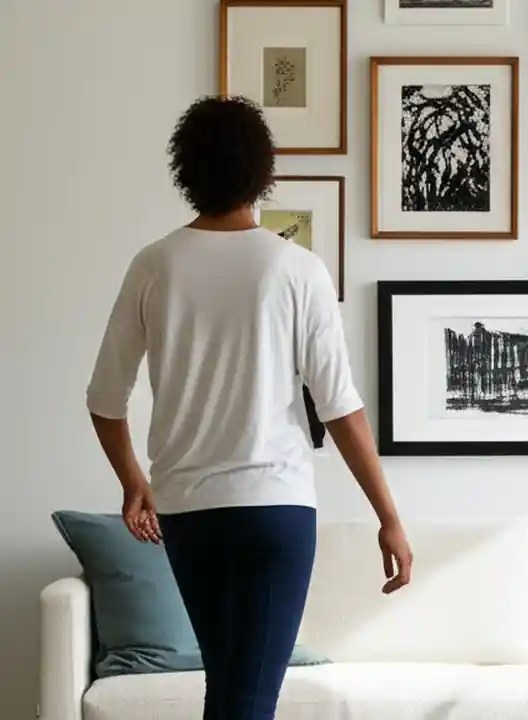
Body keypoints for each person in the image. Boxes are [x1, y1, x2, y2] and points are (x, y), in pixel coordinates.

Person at [85, 96, 412, 720]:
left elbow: (105, 399)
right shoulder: (297, 269)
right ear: (263, 172)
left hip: (188, 514)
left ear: (187, 171)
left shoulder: (154, 265)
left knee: (234, 694)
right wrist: (388, 516)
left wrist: (135, 484)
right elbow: (340, 407)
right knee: (246, 700)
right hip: (276, 513)